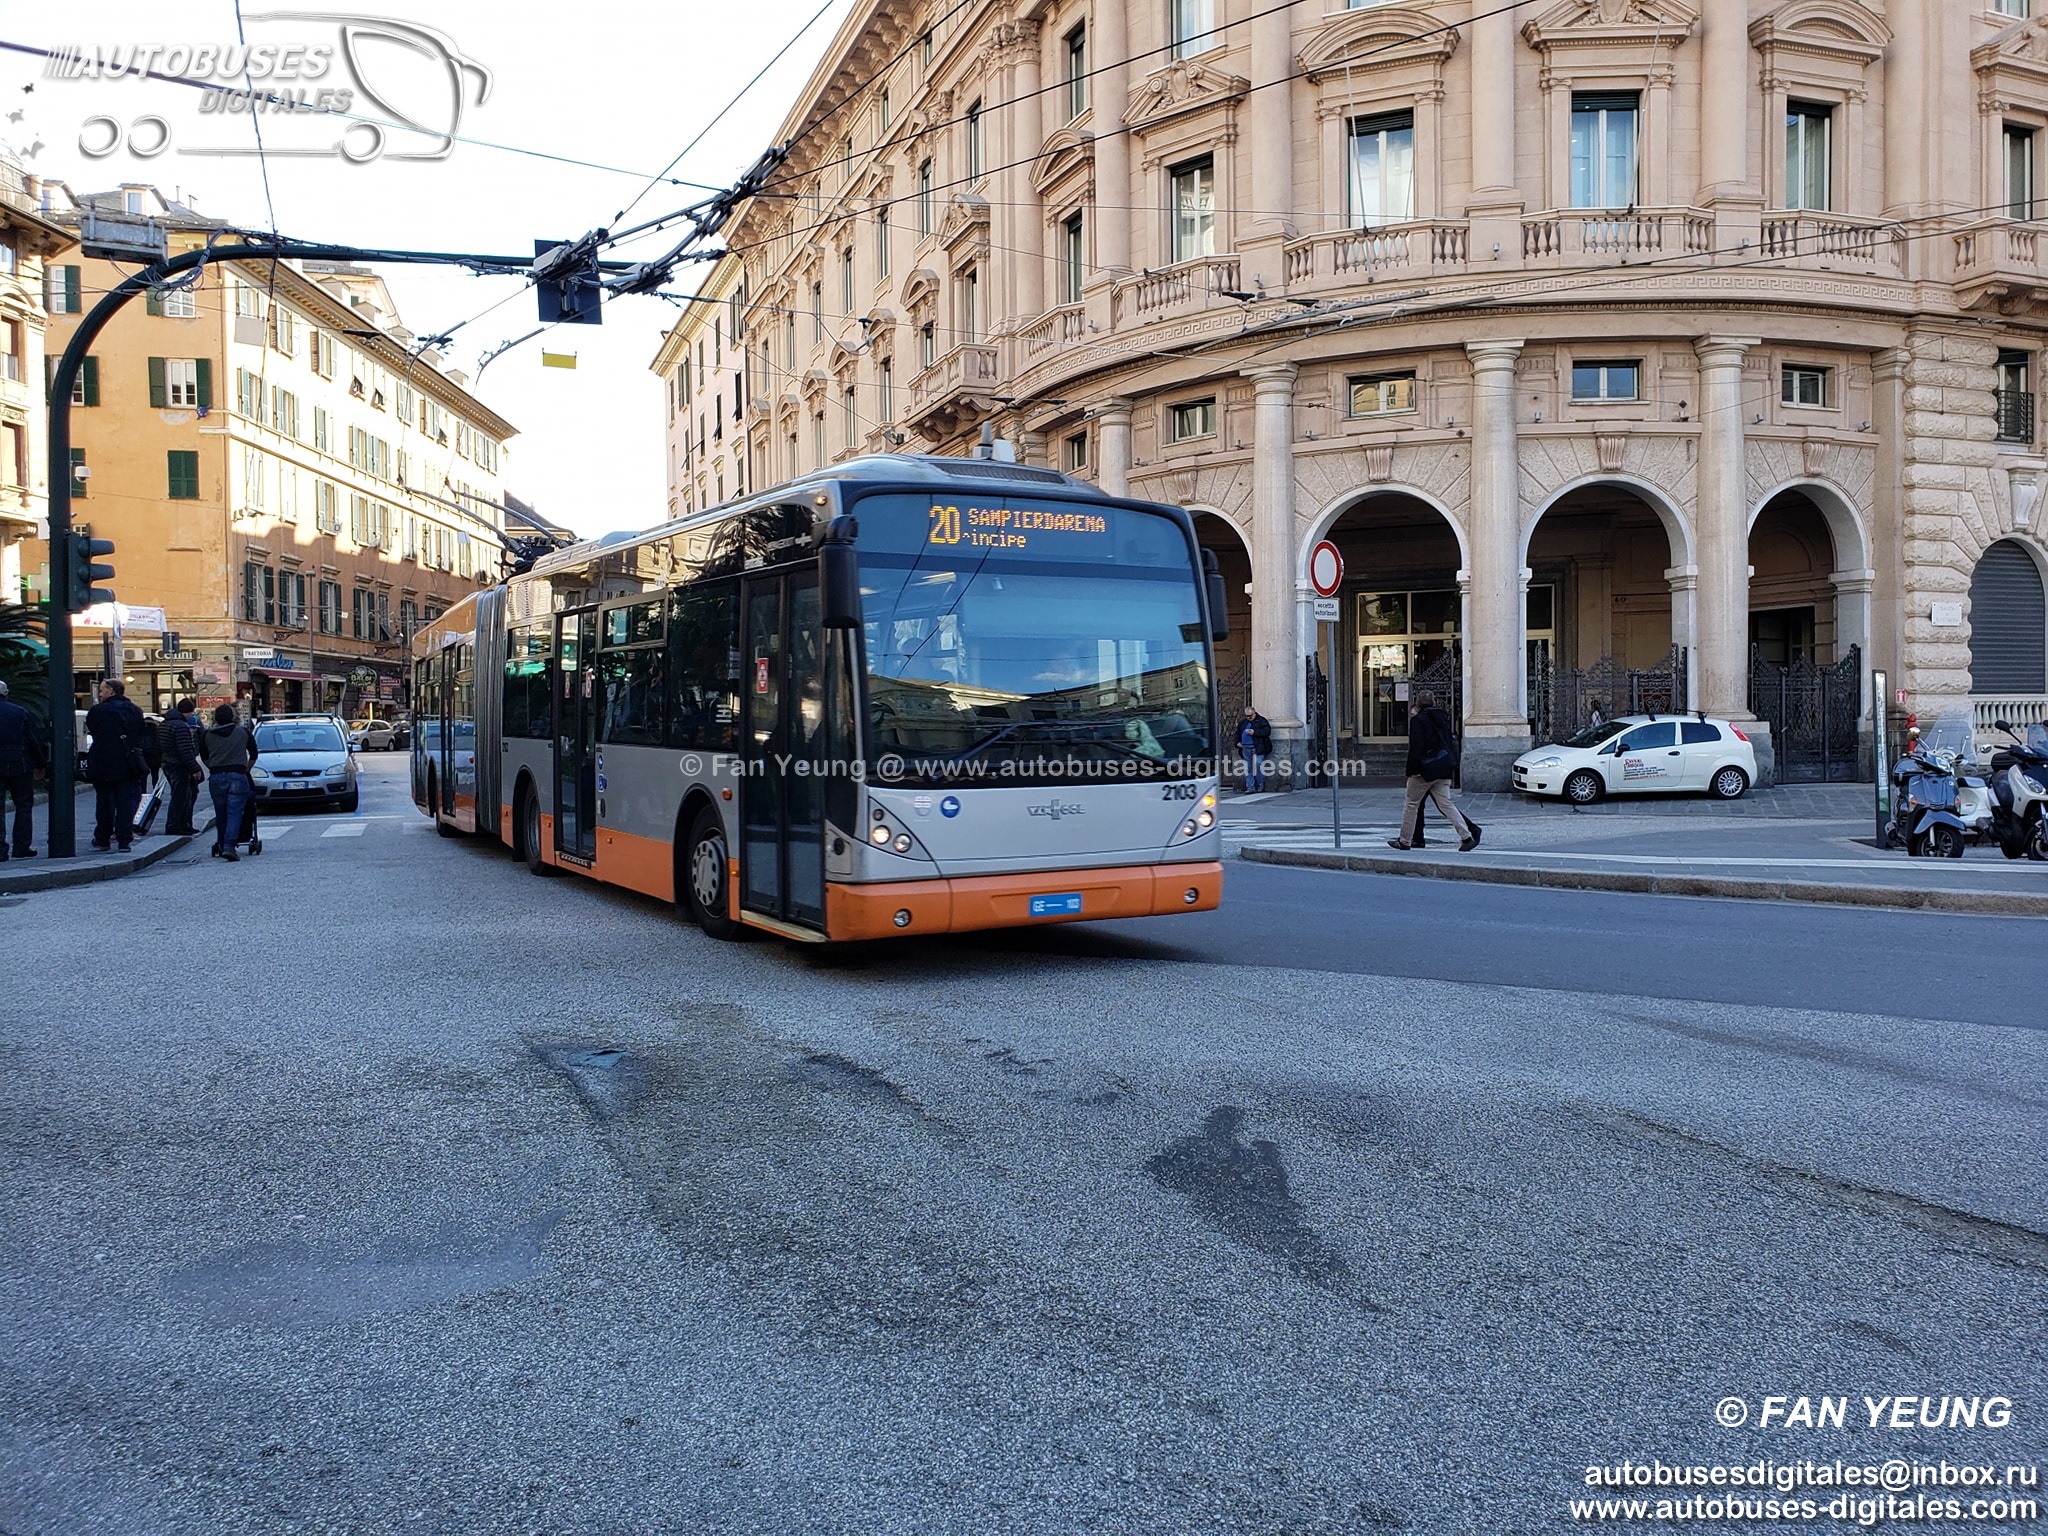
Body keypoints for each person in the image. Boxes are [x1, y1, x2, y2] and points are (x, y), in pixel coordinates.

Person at [1388, 688, 1482, 853]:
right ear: (1433, 702)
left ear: (1418, 703)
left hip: (1425, 769)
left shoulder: (1418, 720)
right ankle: (1467, 836)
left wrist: (1411, 770)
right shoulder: (1442, 719)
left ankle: (1404, 840)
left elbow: (1416, 748)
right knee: (1446, 804)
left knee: (1411, 804)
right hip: (1443, 768)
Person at [82, 679, 148, 853]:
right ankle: (124, 840)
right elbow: (140, 734)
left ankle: (103, 838)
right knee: (126, 802)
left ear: (111, 691)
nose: (100, 694)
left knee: (104, 802)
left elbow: (93, 730)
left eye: (102, 691)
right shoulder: (135, 710)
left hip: (103, 762)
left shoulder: (97, 711)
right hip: (128, 763)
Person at [199, 704, 259, 861]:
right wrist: (246, 769)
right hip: (237, 775)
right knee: (235, 812)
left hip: (217, 776)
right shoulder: (242, 732)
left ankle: (221, 842)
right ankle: (229, 846)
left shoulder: (207, 735)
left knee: (221, 813)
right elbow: (254, 754)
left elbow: (204, 756)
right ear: (233, 717)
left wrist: (213, 767)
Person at [0, 679, 46, 860]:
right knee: (24, 805)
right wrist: (40, 764)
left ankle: (0, 850)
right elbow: (33, 740)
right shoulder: (20, 712)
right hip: (20, 763)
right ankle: (21, 846)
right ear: (6, 693)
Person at [158, 697, 204, 837]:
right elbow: (185, 751)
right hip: (179, 766)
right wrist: (195, 769)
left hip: (167, 762)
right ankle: (177, 825)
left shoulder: (165, 724)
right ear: (187, 712)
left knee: (180, 795)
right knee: (182, 796)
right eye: (190, 713)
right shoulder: (181, 726)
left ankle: (181, 825)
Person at [1238, 706, 1273, 792]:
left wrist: (1254, 732)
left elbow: (1267, 731)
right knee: (1247, 767)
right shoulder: (1243, 723)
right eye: (1247, 716)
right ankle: (1250, 787)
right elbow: (1237, 733)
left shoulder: (1261, 721)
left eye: (1250, 715)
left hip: (1258, 747)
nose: (1249, 717)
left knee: (1258, 764)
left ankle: (1260, 784)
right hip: (1245, 747)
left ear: (1254, 713)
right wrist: (1237, 743)